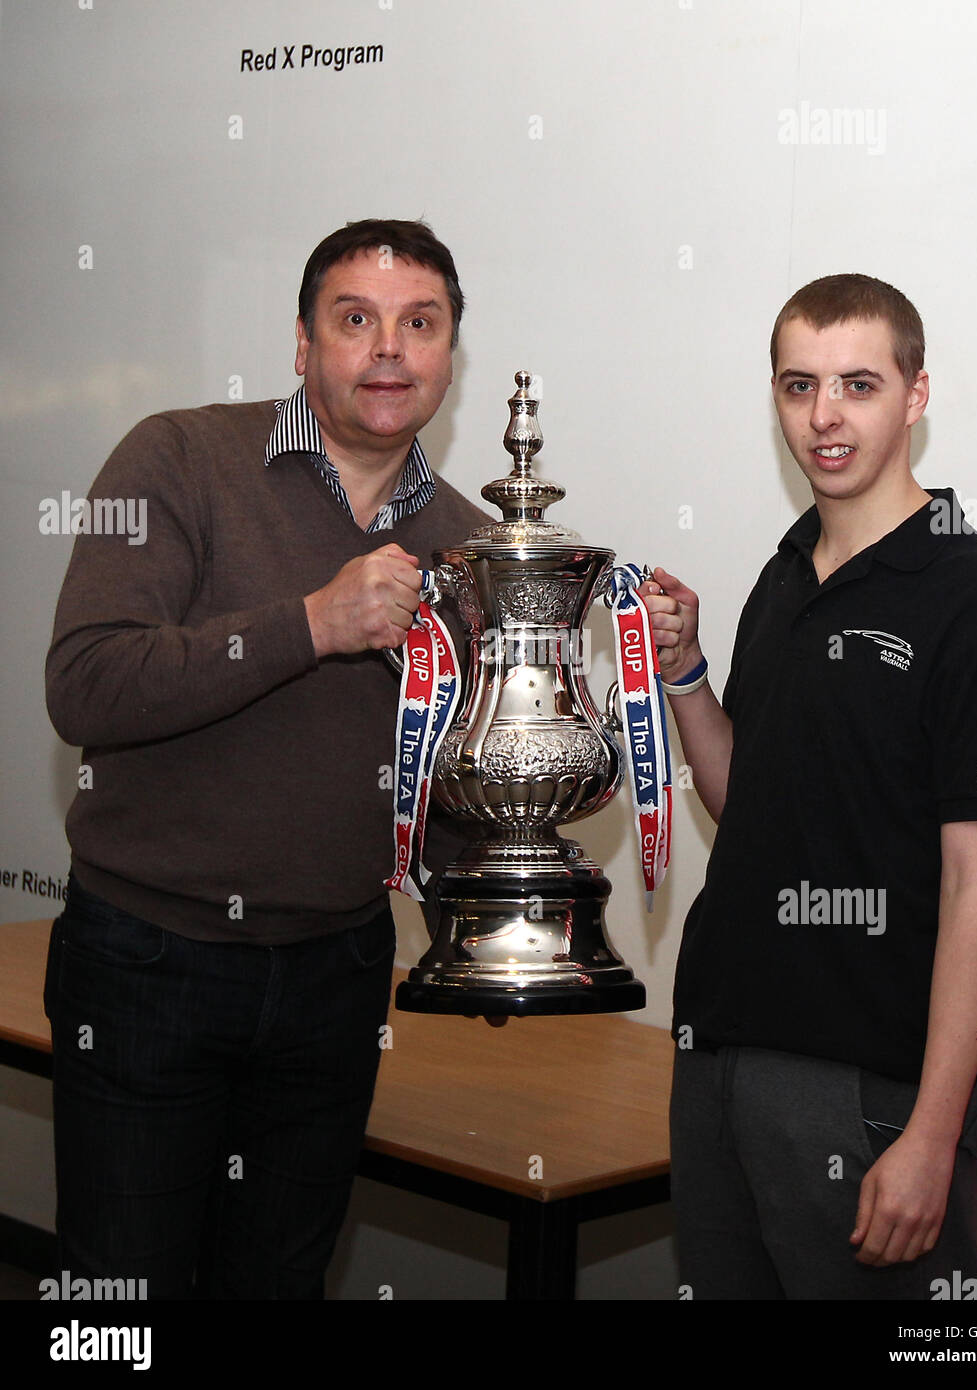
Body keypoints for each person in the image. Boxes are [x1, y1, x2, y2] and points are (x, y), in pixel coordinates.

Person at [43, 219, 488, 1299]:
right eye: (356, 319)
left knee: (279, 1284)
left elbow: (456, 788)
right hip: (151, 959)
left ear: (448, 357)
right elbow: (86, 684)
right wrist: (313, 623)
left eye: (418, 324)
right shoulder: (179, 454)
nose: (389, 348)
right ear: (302, 344)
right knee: (115, 1298)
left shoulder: (473, 547)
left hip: (335, 977)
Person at [644, 274, 977, 1299]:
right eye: (798, 385)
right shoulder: (785, 576)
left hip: (870, 1088)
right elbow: (748, 805)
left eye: (858, 384)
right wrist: (687, 675)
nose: (823, 417)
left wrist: (933, 1130)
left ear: (915, 396)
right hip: (723, 1057)